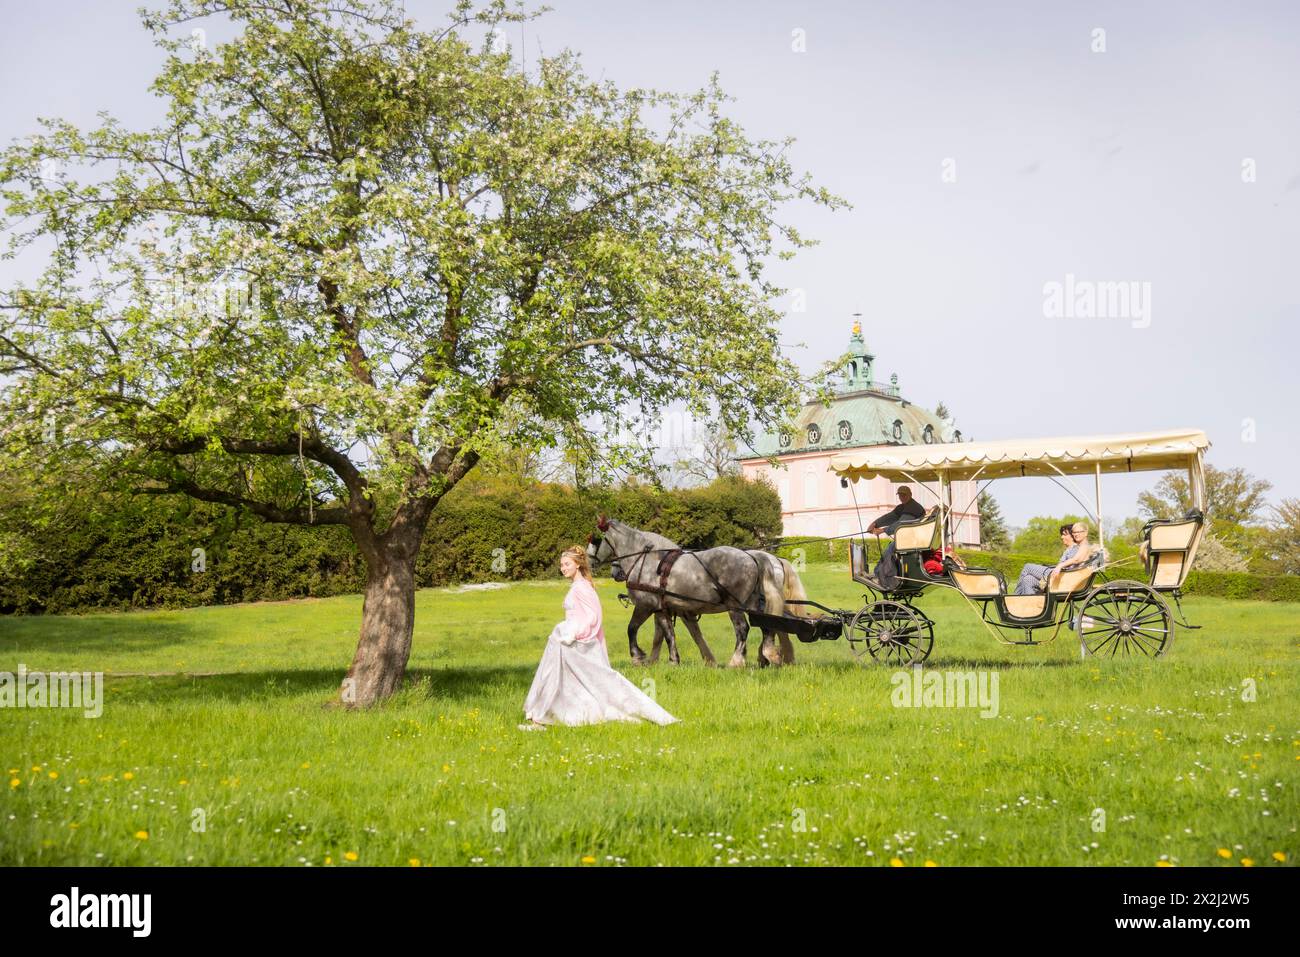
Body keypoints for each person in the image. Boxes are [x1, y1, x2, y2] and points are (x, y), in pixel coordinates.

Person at [520, 545, 679, 730]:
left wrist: (574, 634)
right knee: (562, 679)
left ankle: (543, 717)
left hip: (576, 641)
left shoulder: (582, 587)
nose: (563, 568)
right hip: (566, 641)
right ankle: (545, 716)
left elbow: (593, 616)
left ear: (578, 564)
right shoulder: (577, 586)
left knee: (600, 681)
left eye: (567, 564)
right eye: (561, 565)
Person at [1014, 522, 1088, 595]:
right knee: (1027, 579)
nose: (1062, 537)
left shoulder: (1079, 547)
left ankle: (1015, 596)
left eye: (1065, 534)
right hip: (1056, 576)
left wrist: (1059, 566)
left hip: (1060, 577)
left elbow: (1075, 560)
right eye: (1075, 532)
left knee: (1027, 567)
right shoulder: (1074, 548)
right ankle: (1031, 604)